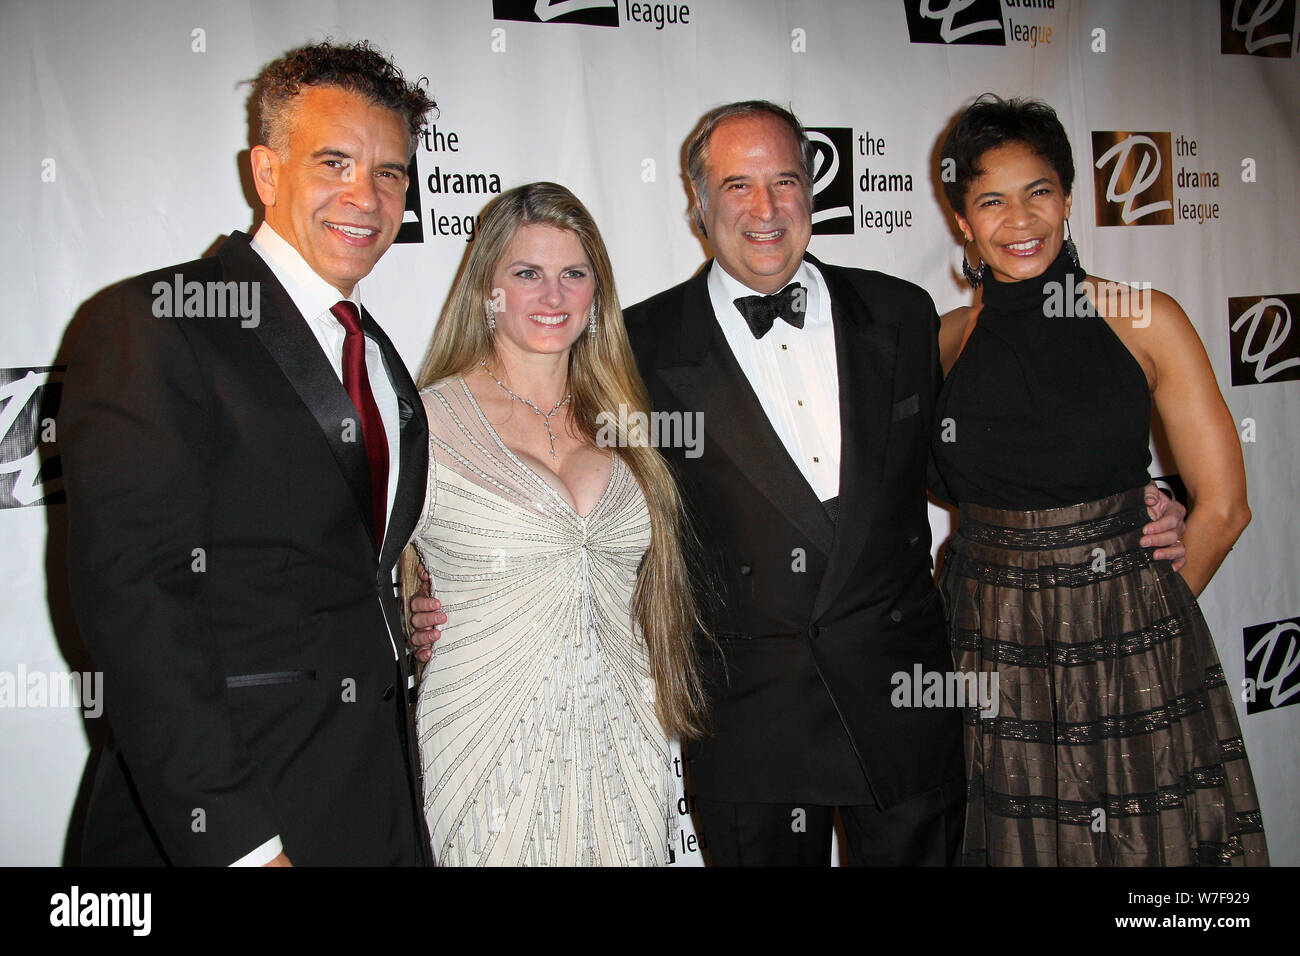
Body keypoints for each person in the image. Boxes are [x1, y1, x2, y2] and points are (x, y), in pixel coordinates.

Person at [413, 100, 1187, 866]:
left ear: (812, 192)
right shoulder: (638, 348)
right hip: (748, 722)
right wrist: (438, 591)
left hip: (905, 704)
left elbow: (969, 462)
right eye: (738, 186)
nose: (766, 208)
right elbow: (549, 487)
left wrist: (1138, 502)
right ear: (699, 203)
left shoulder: (903, 312)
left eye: (784, 181)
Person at [59, 41, 437, 866]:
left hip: (376, 801)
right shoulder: (157, 323)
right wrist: (242, 847)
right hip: (232, 821)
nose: (364, 196)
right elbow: (138, 614)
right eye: (333, 161)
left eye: (390, 173)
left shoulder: (376, 355)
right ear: (266, 173)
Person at [933, 95, 1268, 865]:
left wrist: (1150, 618)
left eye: (1038, 191)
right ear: (963, 222)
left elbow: (1224, 506)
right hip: (987, 637)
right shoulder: (946, 340)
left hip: (1125, 636)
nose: (1021, 219)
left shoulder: (1143, 319)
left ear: (1070, 197)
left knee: (1144, 845)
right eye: (992, 199)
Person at [401, 182, 707, 866]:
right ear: (487, 288)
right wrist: (406, 622)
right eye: (527, 273)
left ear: (596, 293)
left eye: (574, 274)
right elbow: (337, 584)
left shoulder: (625, 416)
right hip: (483, 742)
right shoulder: (426, 421)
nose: (553, 296)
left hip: (626, 733)